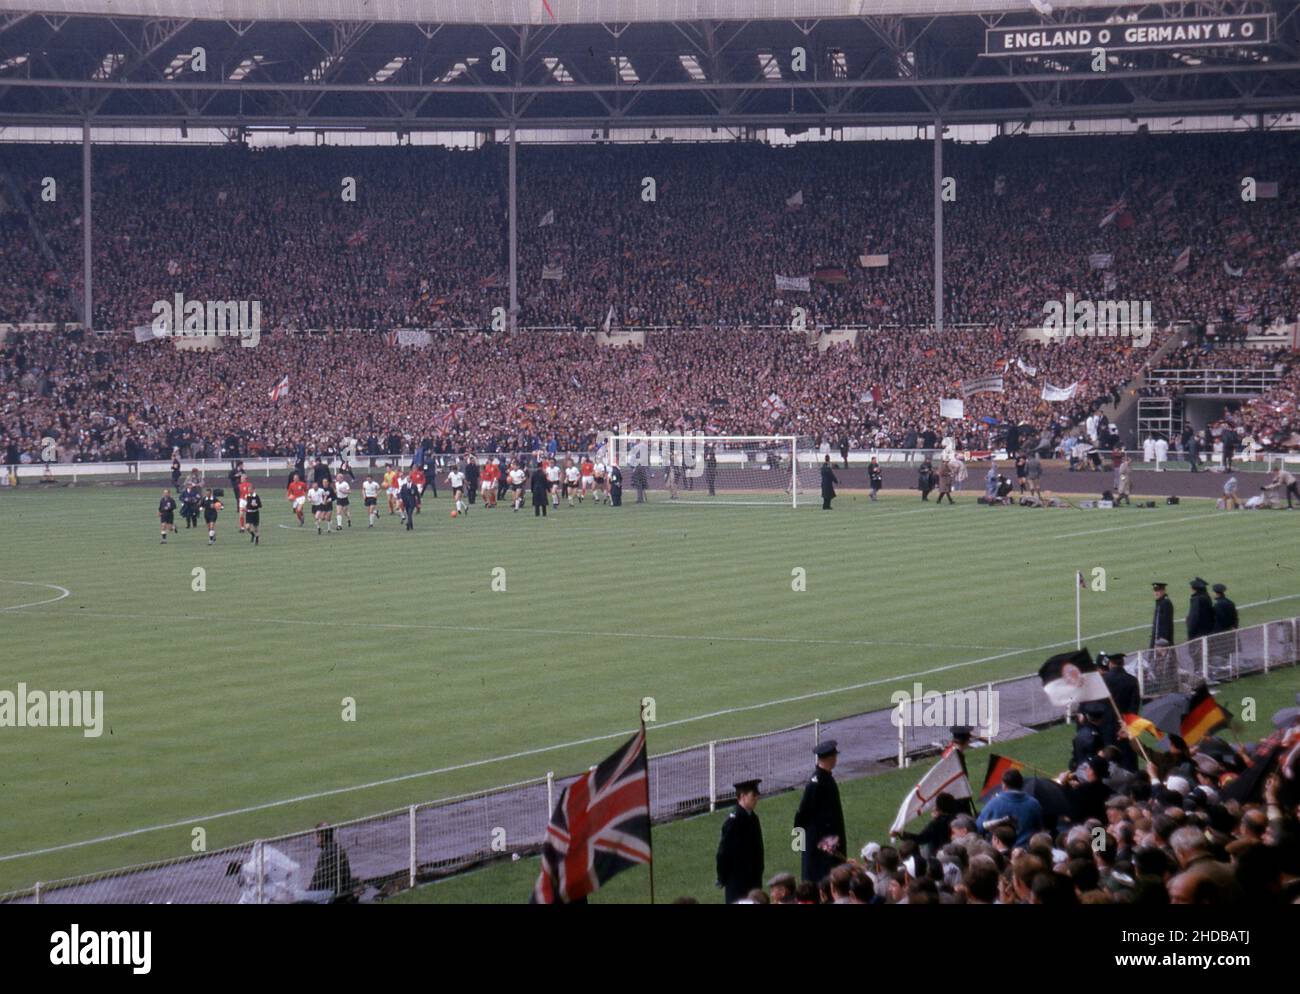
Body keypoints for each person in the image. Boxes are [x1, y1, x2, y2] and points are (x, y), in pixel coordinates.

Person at [793, 740, 846, 882]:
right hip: (820, 842)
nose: (836, 759)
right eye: (834, 756)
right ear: (829, 758)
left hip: (827, 840)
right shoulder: (816, 783)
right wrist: (799, 842)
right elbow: (802, 814)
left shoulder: (825, 778)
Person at [716, 779, 764, 903]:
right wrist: (722, 877)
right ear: (742, 796)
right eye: (753, 795)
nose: (756, 798)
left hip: (753, 879)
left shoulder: (753, 818)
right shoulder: (734, 821)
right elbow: (723, 852)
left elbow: (758, 849)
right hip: (737, 881)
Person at [975, 768, 1044, 848]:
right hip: (1027, 850)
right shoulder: (1034, 803)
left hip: (1001, 852)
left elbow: (978, 827)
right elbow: (1039, 828)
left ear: (1004, 785)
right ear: (1022, 784)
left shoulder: (994, 803)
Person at [308, 823, 358, 904]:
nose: (315, 839)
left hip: (331, 896)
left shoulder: (326, 854)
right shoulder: (339, 848)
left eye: (316, 836)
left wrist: (307, 892)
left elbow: (317, 881)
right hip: (343, 892)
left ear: (322, 837)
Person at [1150, 581, 1174, 648]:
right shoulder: (1160, 602)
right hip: (1158, 640)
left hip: (1162, 642)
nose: (1156, 593)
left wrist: (1161, 643)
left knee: (1165, 657)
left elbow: (1165, 624)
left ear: (1164, 591)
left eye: (1158, 590)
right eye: (1155, 591)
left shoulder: (1165, 603)